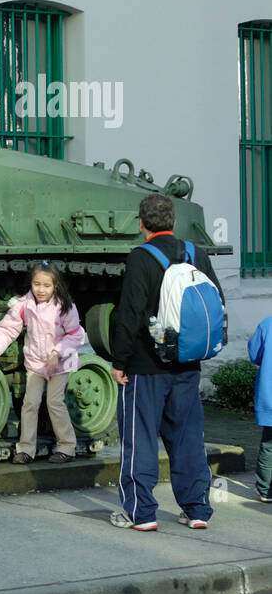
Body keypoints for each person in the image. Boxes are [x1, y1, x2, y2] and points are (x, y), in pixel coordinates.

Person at [109, 193, 222, 531]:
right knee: (188, 438)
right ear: (174, 222)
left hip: (146, 367)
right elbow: (215, 303)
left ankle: (140, 513)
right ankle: (197, 509)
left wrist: (119, 361)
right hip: (187, 364)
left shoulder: (140, 258)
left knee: (140, 438)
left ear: (141, 224)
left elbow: (128, 315)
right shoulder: (195, 254)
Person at [0, 262, 85, 464]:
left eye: (46, 285)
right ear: (31, 283)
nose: (41, 290)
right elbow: (7, 328)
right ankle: (26, 449)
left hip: (60, 362)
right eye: (37, 284)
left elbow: (76, 334)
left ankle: (67, 446)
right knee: (30, 403)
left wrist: (58, 352)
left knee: (54, 402)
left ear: (55, 286)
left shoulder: (64, 306)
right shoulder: (24, 305)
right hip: (36, 362)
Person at [246, 316, 272, 505]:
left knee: (269, 445)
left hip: (270, 395)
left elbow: (255, 354)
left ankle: (265, 490)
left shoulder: (267, 324)